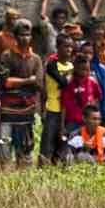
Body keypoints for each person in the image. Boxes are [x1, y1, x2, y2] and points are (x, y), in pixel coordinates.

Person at [0, 19, 43, 166]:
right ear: (15, 37)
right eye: (21, 35)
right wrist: (28, 80)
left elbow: (39, 83)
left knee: (25, 151)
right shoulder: (7, 56)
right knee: (4, 148)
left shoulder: (35, 59)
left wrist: (20, 82)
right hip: (8, 110)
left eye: (27, 35)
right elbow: (6, 83)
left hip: (27, 110)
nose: (25, 38)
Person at [39, 34, 74, 165]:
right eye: (66, 46)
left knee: (63, 141)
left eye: (71, 46)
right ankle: (43, 165)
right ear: (58, 47)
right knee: (48, 140)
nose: (69, 49)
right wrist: (68, 77)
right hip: (52, 108)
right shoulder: (51, 64)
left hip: (67, 111)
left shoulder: (71, 66)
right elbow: (63, 82)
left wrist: (68, 78)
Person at [61, 53, 101, 133]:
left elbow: (97, 99)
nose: (86, 72)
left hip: (89, 123)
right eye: (83, 69)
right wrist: (61, 126)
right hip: (73, 123)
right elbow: (63, 106)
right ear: (76, 68)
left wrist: (96, 118)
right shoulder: (69, 83)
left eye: (88, 69)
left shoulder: (92, 82)